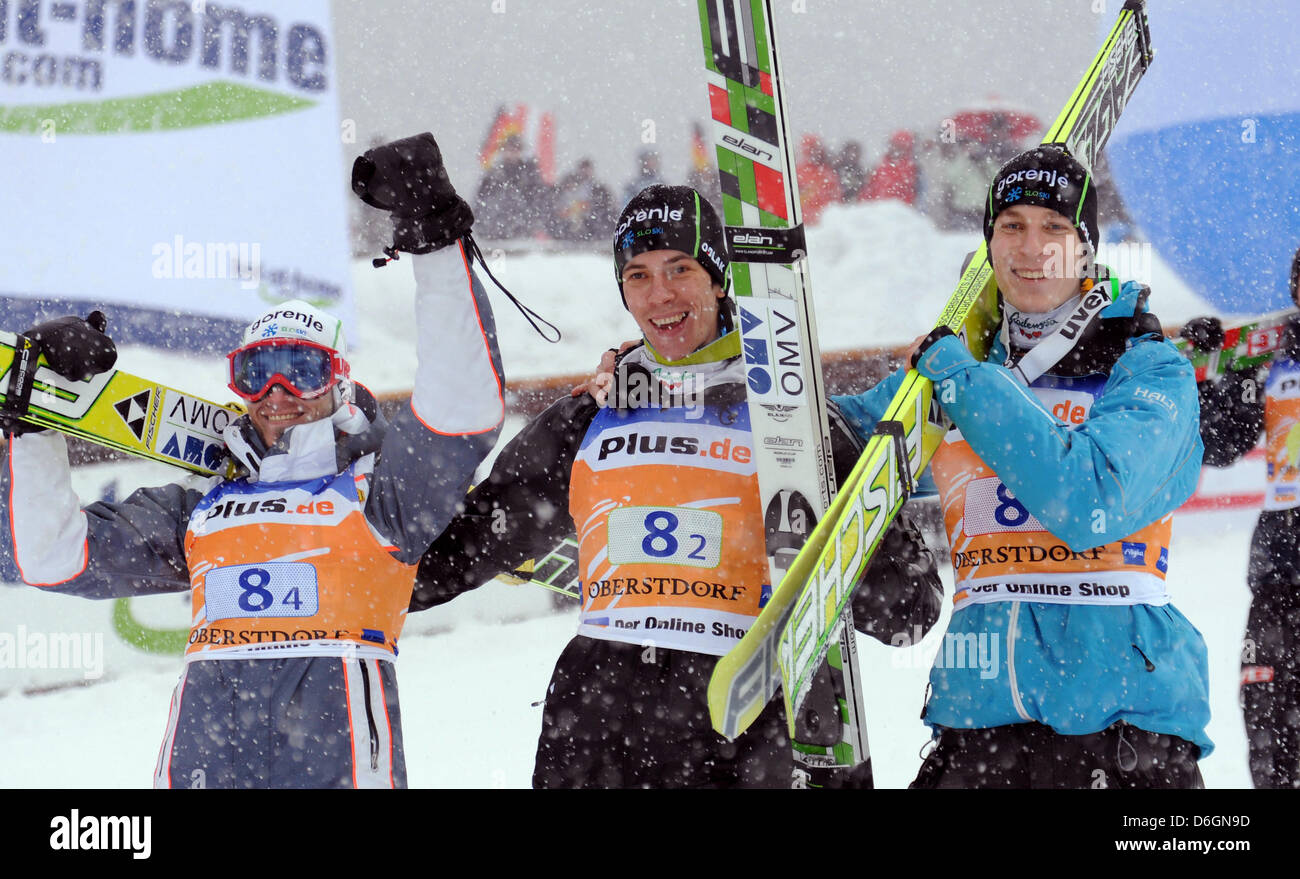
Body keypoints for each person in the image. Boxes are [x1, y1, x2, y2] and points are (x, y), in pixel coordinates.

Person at [0, 132, 505, 788]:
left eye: (301, 368)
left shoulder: (383, 497)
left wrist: (434, 236)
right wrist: (35, 422)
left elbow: (462, 410)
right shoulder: (206, 508)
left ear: (340, 383)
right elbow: (52, 557)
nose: (276, 393)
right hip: (202, 770)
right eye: (256, 371)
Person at [412, 184, 943, 789]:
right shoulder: (590, 415)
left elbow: (910, 606)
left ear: (719, 279)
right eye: (637, 275)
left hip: (737, 715)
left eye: (680, 269)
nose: (659, 294)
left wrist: (826, 557)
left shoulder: (793, 419)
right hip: (597, 717)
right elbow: (446, 558)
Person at [835, 145, 1212, 788]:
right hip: (976, 732)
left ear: (1086, 248)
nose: (1032, 247)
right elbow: (839, 437)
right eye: (1011, 226)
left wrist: (961, 379)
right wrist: (660, 383)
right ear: (988, 244)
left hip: (1122, 743)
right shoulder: (959, 373)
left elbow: (1088, 501)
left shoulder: (1151, 370)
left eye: (1055, 228)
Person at [1180, 245, 1300, 788]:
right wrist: (1209, 368)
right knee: (1268, 720)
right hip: (1281, 568)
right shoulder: (1278, 349)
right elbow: (1222, 441)